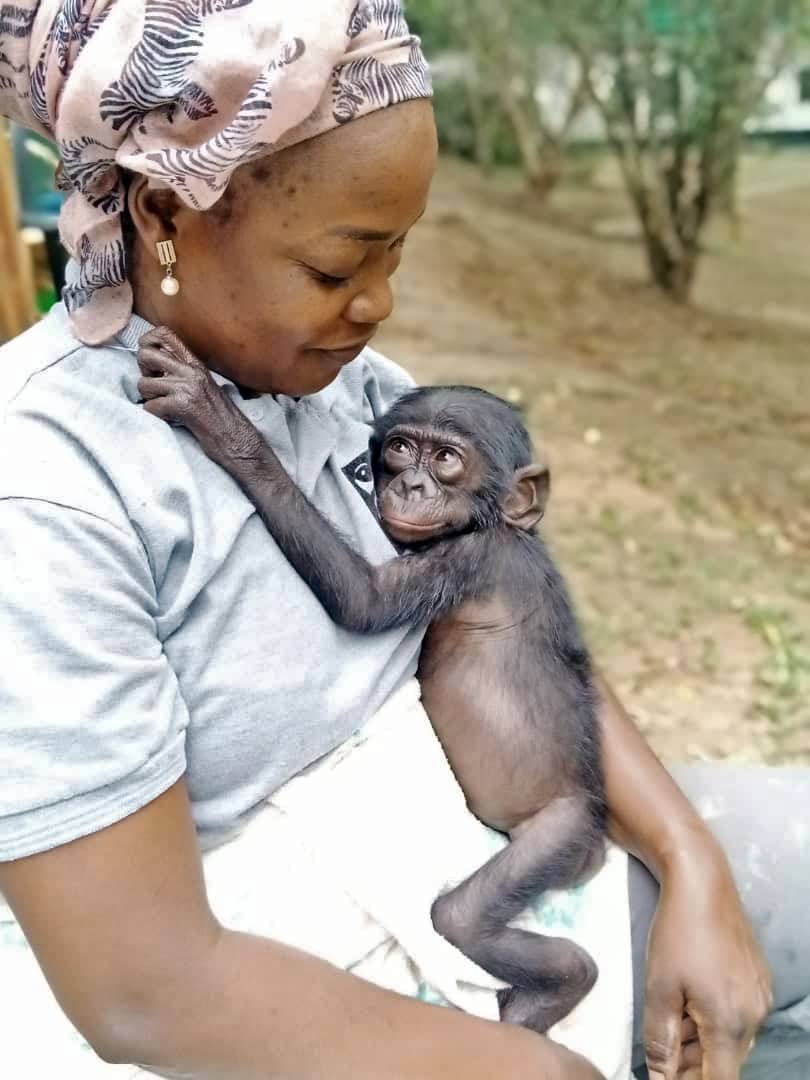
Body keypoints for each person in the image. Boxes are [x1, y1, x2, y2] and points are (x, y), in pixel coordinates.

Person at [0, 3, 807, 1078]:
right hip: (298, 998)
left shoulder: (344, 391)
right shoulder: (51, 494)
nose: (379, 302)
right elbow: (144, 987)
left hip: (485, 855)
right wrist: (526, 1070)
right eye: (340, 268)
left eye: (398, 254)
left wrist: (694, 863)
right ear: (162, 214)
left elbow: (515, 627)